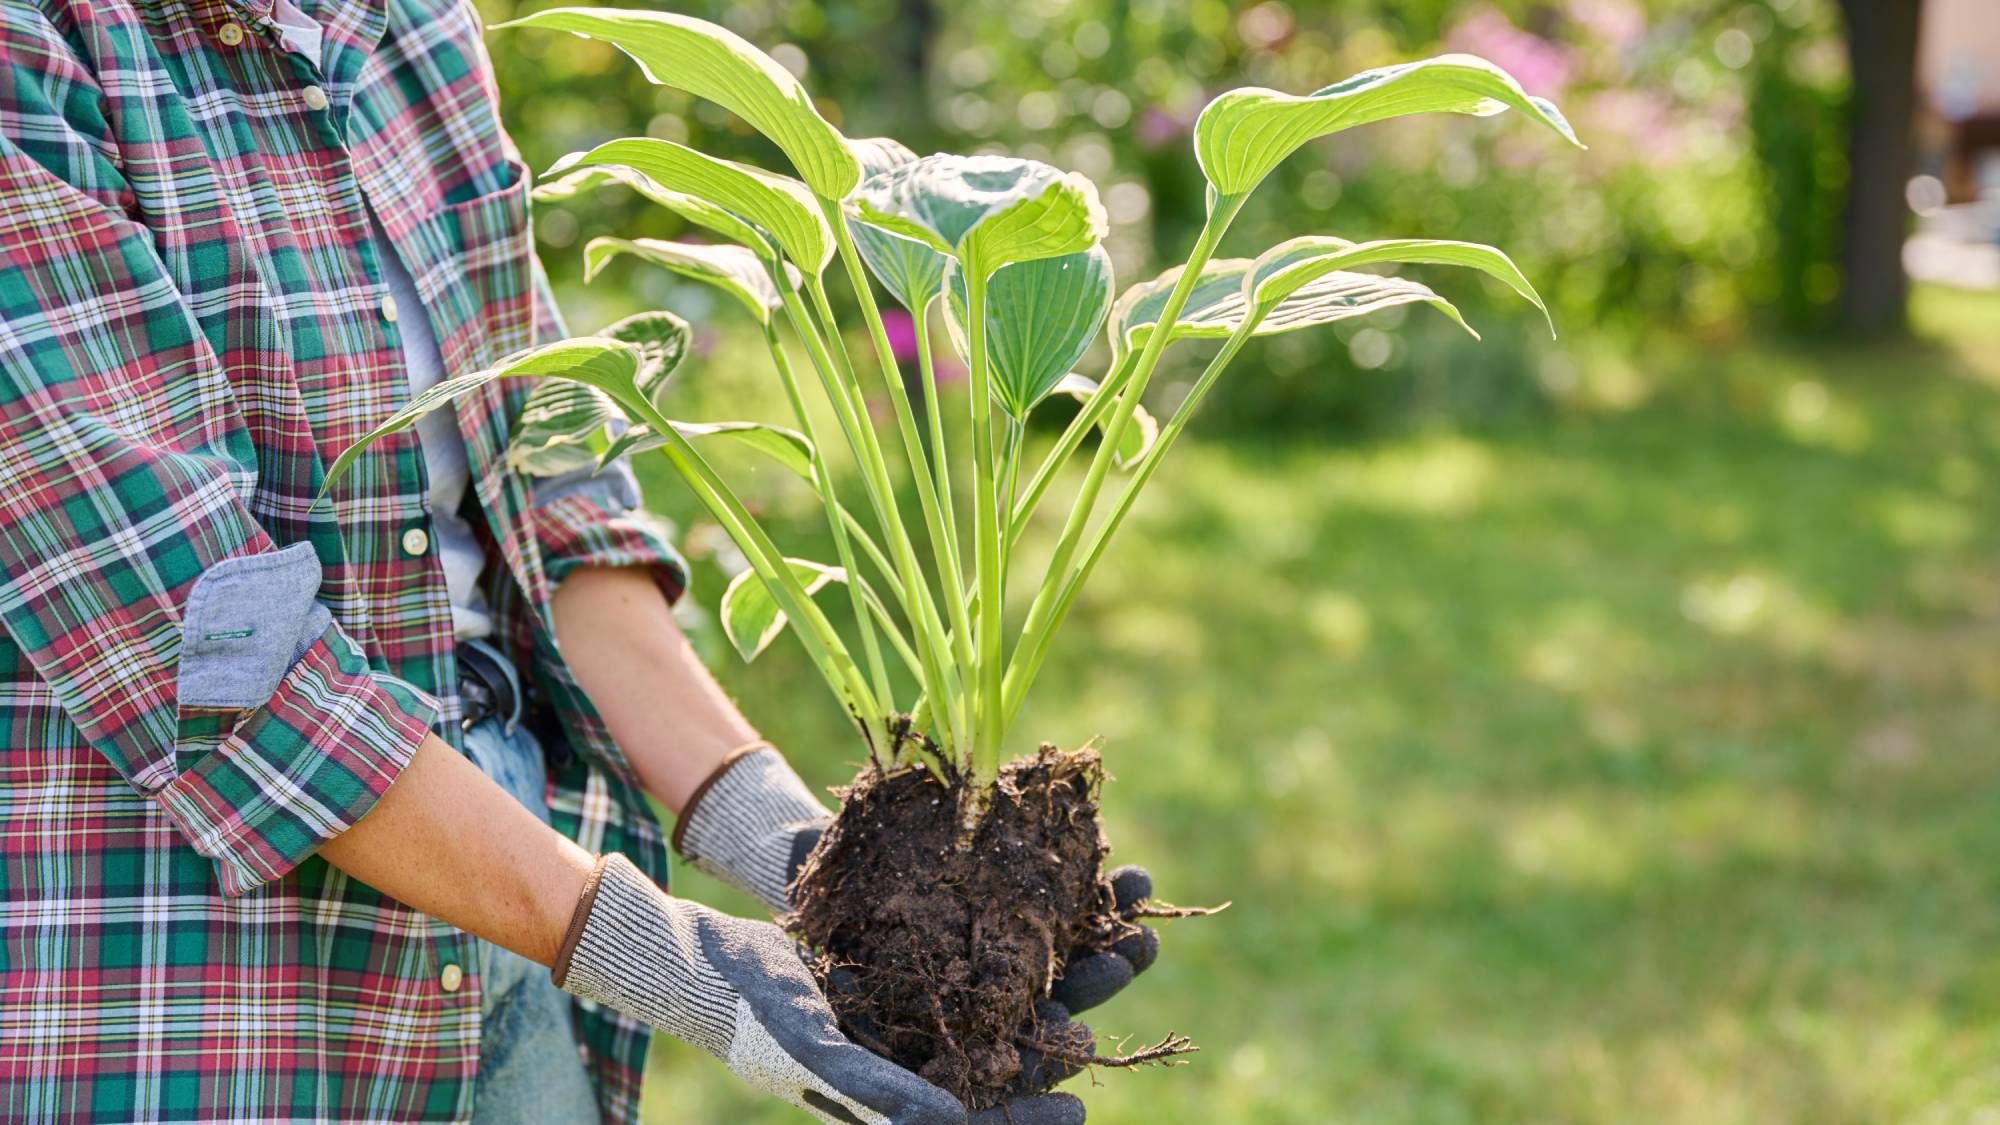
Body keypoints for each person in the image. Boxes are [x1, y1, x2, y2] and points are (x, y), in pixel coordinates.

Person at [0, 0, 1155, 1120]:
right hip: (220, 985)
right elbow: (200, 638)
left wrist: (823, 868)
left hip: (517, 912)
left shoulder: (406, 23)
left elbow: (552, 491)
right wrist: (679, 967)